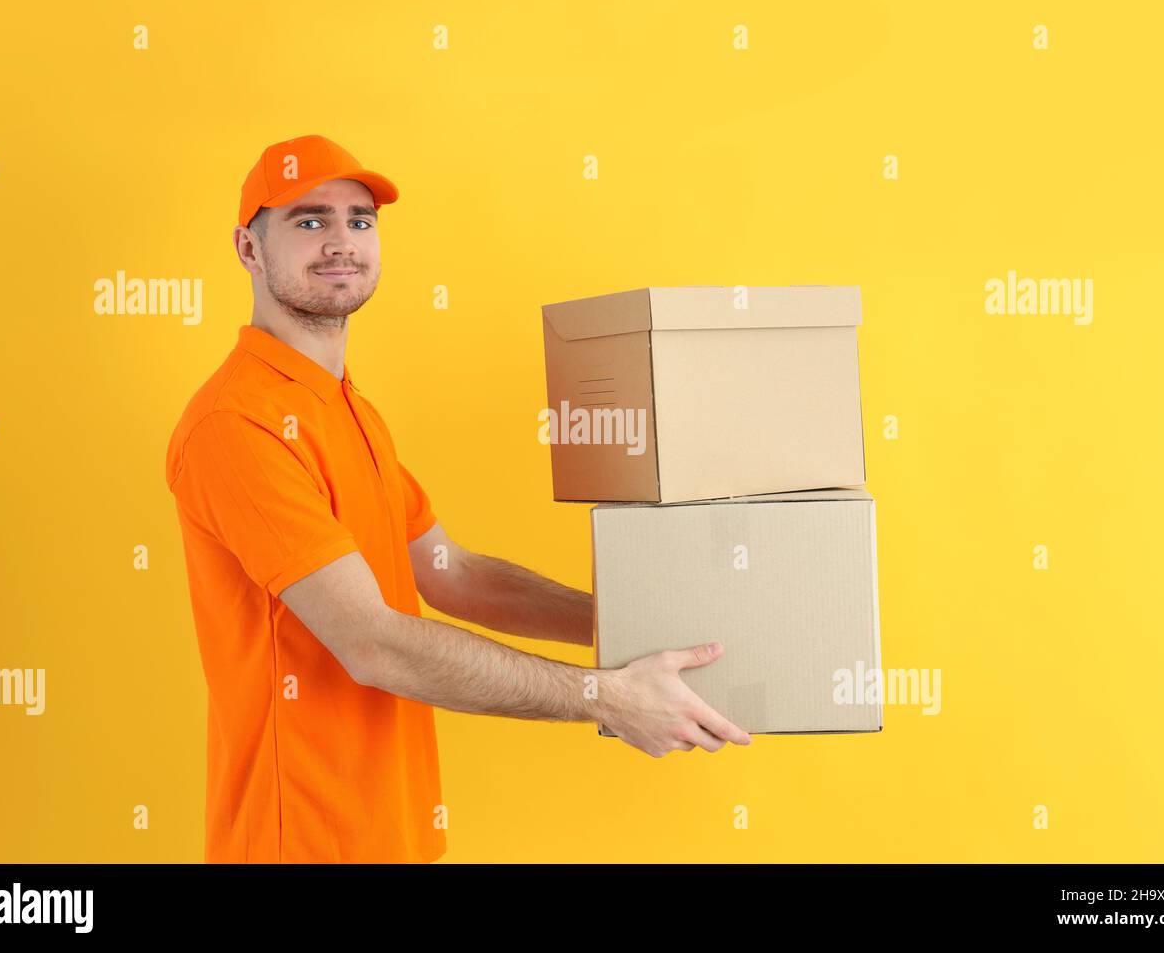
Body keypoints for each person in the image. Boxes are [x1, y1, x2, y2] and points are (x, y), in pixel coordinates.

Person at [164, 134, 751, 863]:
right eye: (309, 221)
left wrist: (632, 627)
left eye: (360, 220)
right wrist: (609, 696)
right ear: (248, 250)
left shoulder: (347, 411)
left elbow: (453, 574)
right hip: (305, 841)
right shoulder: (239, 424)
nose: (341, 242)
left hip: (393, 833)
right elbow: (372, 643)